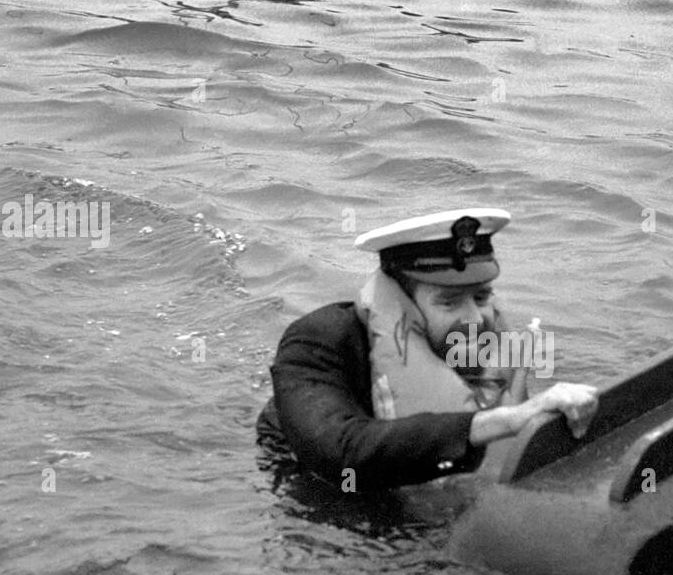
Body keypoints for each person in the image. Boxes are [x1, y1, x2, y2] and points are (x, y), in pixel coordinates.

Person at [256, 208, 599, 490]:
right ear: (403, 302)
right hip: (325, 487)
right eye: (449, 302)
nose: (475, 320)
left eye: (481, 297)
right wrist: (512, 418)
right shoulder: (316, 342)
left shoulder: (486, 340)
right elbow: (341, 453)